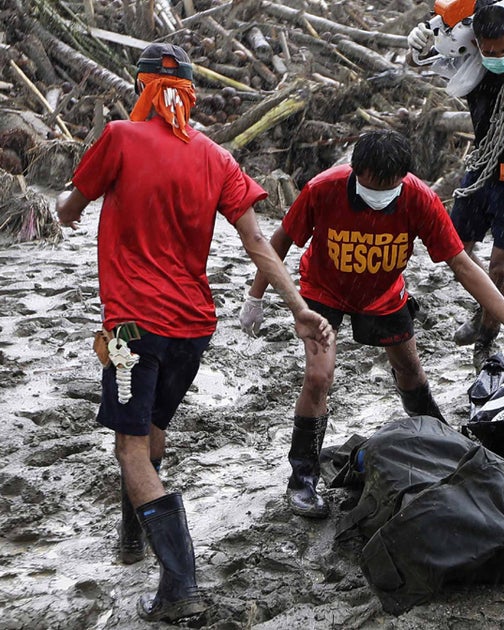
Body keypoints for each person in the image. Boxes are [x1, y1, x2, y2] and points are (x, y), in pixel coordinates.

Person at [55, 43, 334, 622]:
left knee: (132, 447)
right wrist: (299, 307)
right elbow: (259, 242)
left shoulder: (119, 138)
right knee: (151, 431)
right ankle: (134, 539)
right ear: (188, 92)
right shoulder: (215, 158)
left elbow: (68, 207)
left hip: (133, 327)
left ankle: (180, 585)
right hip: (192, 327)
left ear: (144, 91)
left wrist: (61, 204)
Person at [237, 129, 504, 519]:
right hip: (322, 291)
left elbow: (462, 264)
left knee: (410, 370)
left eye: (391, 187)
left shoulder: (419, 199)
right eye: (372, 186)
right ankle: (302, 478)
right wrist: (255, 295)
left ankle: (438, 439)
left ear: (404, 177)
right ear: (356, 172)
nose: (381, 195)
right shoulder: (322, 189)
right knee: (319, 377)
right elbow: (279, 240)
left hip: (383, 293)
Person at [407, 1, 504, 369]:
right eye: (490, 52)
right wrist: (419, 47)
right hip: (483, 170)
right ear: (476, 45)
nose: (499, 58)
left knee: (500, 267)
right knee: (454, 248)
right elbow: (435, 61)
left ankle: (487, 341)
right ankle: (488, 308)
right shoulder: (473, 66)